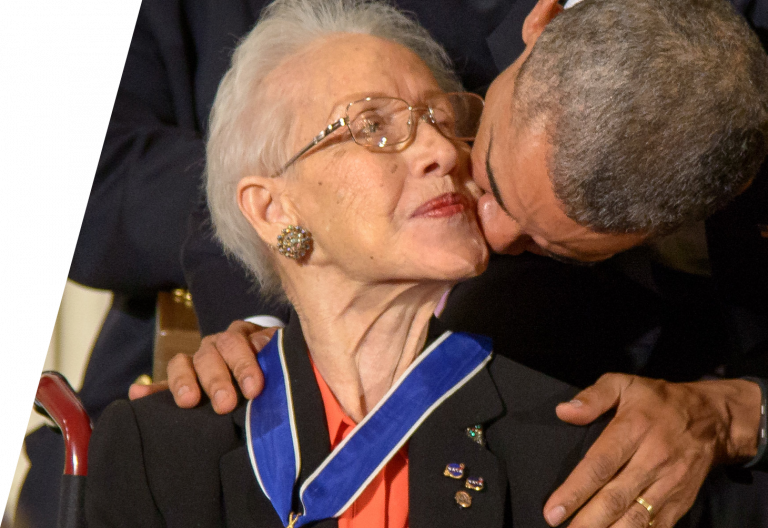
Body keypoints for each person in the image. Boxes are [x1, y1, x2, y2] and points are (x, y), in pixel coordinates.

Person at [146, 0, 768, 527]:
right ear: (540, 24)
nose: (489, 233)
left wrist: (742, 413)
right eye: (490, 168)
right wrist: (273, 365)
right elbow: (260, 157)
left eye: (545, 244)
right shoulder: (417, 32)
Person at [85, 1, 613, 526]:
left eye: (444, 121)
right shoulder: (158, 453)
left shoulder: (576, 453)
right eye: (373, 127)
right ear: (273, 209)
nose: (443, 151)